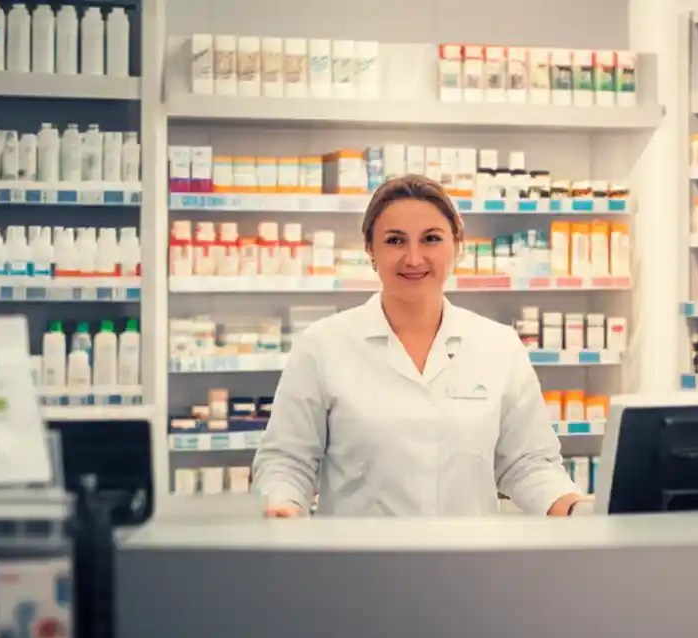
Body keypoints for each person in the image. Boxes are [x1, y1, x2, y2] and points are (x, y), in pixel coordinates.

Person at [252, 175, 589, 518]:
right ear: (370, 250)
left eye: (431, 239)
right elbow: (287, 460)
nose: (413, 258)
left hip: (467, 563)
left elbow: (528, 463)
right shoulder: (323, 345)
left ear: (457, 245)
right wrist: (284, 503)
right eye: (395, 240)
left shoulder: (498, 345)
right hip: (360, 564)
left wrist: (572, 506)